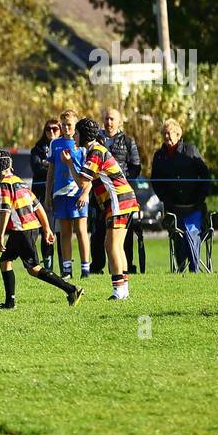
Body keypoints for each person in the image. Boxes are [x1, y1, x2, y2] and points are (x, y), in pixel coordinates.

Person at [0, 150, 84, 309]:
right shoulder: (19, 182)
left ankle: (71, 289)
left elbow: (5, 212)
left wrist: (0, 237)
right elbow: (38, 207)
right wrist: (46, 229)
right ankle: (10, 302)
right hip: (28, 229)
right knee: (6, 262)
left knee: (33, 268)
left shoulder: (5, 185)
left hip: (22, 230)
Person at [63, 117, 140, 300]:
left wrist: (69, 164)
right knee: (117, 246)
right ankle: (124, 289)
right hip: (125, 198)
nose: (74, 136)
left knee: (110, 245)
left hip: (118, 200)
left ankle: (118, 291)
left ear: (84, 135)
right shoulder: (96, 150)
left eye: (77, 133)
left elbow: (83, 183)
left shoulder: (95, 151)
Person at [151, 119, 211, 273]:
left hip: (193, 206)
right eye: (164, 134)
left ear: (178, 134)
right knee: (178, 237)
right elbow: (156, 181)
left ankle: (194, 269)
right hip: (173, 207)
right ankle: (181, 268)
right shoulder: (159, 156)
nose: (166, 137)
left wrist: (200, 197)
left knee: (191, 234)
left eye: (169, 133)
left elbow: (205, 175)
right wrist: (165, 198)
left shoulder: (190, 150)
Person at [92, 108, 142, 274]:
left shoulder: (127, 141)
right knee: (98, 233)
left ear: (119, 121)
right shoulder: (97, 140)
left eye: (112, 119)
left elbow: (136, 166)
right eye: (106, 119)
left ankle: (125, 271)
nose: (109, 122)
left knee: (121, 239)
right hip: (101, 195)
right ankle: (97, 267)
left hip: (119, 196)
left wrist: (120, 180)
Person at [48, 110, 90, 279]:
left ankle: (85, 267)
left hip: (78, 194)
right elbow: (51, 170)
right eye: (63, 125)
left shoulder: (82, 145)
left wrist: (85, 193)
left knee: (81, 230)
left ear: (75, 126)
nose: (66, 128)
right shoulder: (55, 144)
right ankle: (67, 268)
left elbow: (90, 174)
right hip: (60, 193)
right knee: (65, 232)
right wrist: (47, 195)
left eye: (70, 125)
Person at [29, 118, 60, 268]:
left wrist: (47, 164)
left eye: (55, 129)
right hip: (41, 195)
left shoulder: (62, 146)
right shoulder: (37, 148)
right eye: (49, 129)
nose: (52, 132)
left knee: (57, 230)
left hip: (59, 192)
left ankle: (64, 265)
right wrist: (51, 167)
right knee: (42, 229)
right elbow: (36, 168)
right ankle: (46, 264)